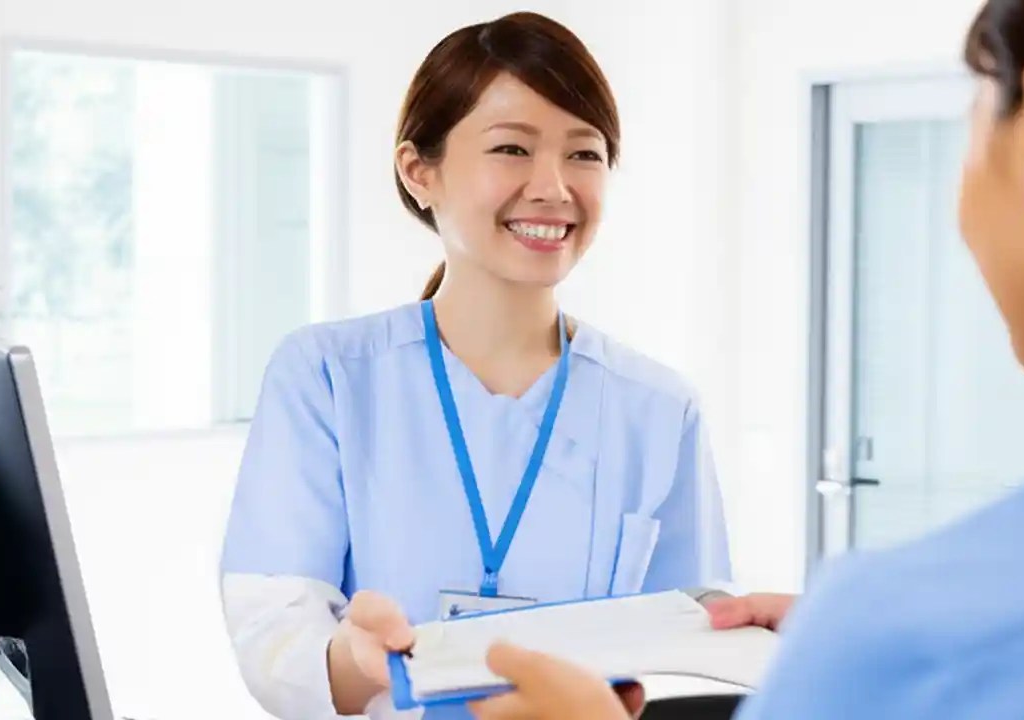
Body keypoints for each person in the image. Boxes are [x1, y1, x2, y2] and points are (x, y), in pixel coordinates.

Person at [467, 0, 1024, 717]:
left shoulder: (911, 638)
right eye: (511, 148)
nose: (551, 188)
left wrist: (868, 658)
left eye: (972, 118)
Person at [217, 11, 731, 720]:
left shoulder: (659, 407)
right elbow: (274, 629)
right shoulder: (328, 375)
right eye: (512, 149)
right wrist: (353, 660)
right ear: (419, 171)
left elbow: (695, 649)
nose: (553, 186)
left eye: (584, 154)